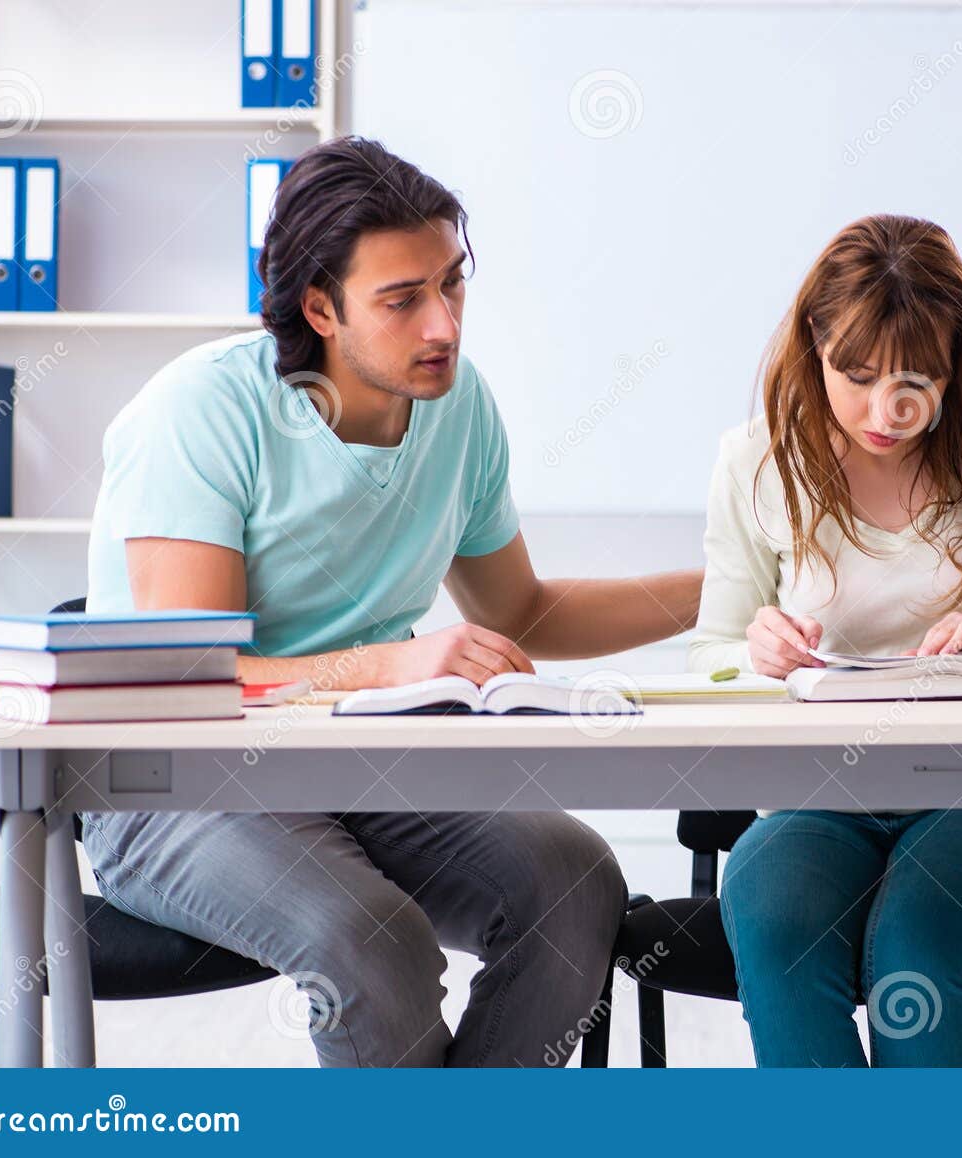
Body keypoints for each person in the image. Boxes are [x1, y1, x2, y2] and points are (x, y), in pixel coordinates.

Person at [80, 136, 702, 1067]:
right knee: (372, 939)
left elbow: (524, 610)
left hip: (360, 764)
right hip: (175, 785)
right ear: (320, 307)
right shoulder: (200, 412)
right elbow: (192, 676)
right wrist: (391, 661)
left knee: (574, 883)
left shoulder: (459, 407)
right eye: (403, 300)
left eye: (452, 284)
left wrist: (735, 582)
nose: (443, 324)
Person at [688, 214, 962, 1066]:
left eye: (918, 379)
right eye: (857, 376)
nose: (888, 410)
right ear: (813, 346)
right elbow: (712, 654)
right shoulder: (756, 458)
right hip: (818, 795)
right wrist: (753, 653)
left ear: (958, 360)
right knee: (772, 922)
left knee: (913, 945)